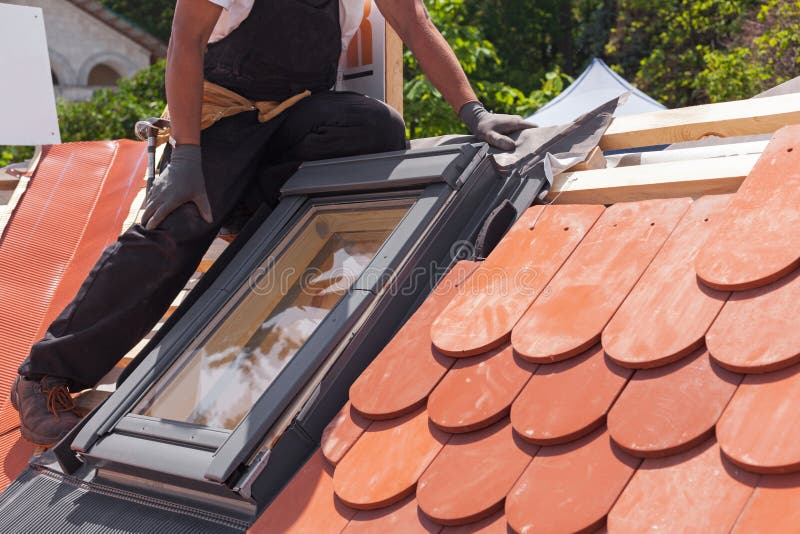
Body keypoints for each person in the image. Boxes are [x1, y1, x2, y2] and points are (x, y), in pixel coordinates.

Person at [11, 0, 534, 445]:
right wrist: (187, 156)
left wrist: (474, 113)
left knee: (374, 127)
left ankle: (249, 208)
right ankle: (46, 374)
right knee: (175, 229)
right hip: (217, 115)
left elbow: (415, 25)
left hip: (291, 118)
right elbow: (186, 40)